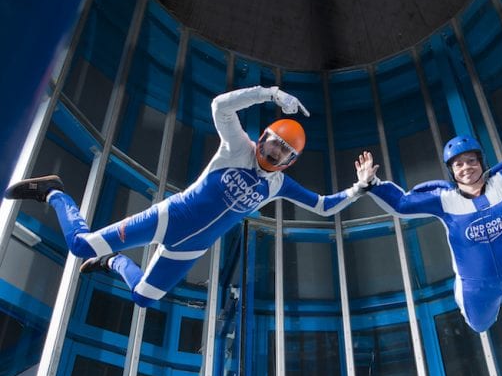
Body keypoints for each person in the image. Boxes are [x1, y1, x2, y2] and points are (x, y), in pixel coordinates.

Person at [5, 86, 368, 307]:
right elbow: (220, 107)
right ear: (262, 138)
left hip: (190, 249)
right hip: (169, 217)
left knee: (145, 297)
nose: (271, 157)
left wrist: (359, 188)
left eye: (281, 156)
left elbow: (323, 207)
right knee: (81, 245)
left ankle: (113, 263)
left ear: (290, 162)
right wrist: (270, 94)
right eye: (271, 146)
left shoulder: (278, 186)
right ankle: (52, 191)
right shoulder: (236, 147)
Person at [354, 108, 502, 333]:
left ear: (481, 163)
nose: (466, 168)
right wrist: (371, 183)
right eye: (458, 164)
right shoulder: (444, 199)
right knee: (480, 326)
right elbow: (401, 204)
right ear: (451, 171)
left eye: (471, 160)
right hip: (476, 286)